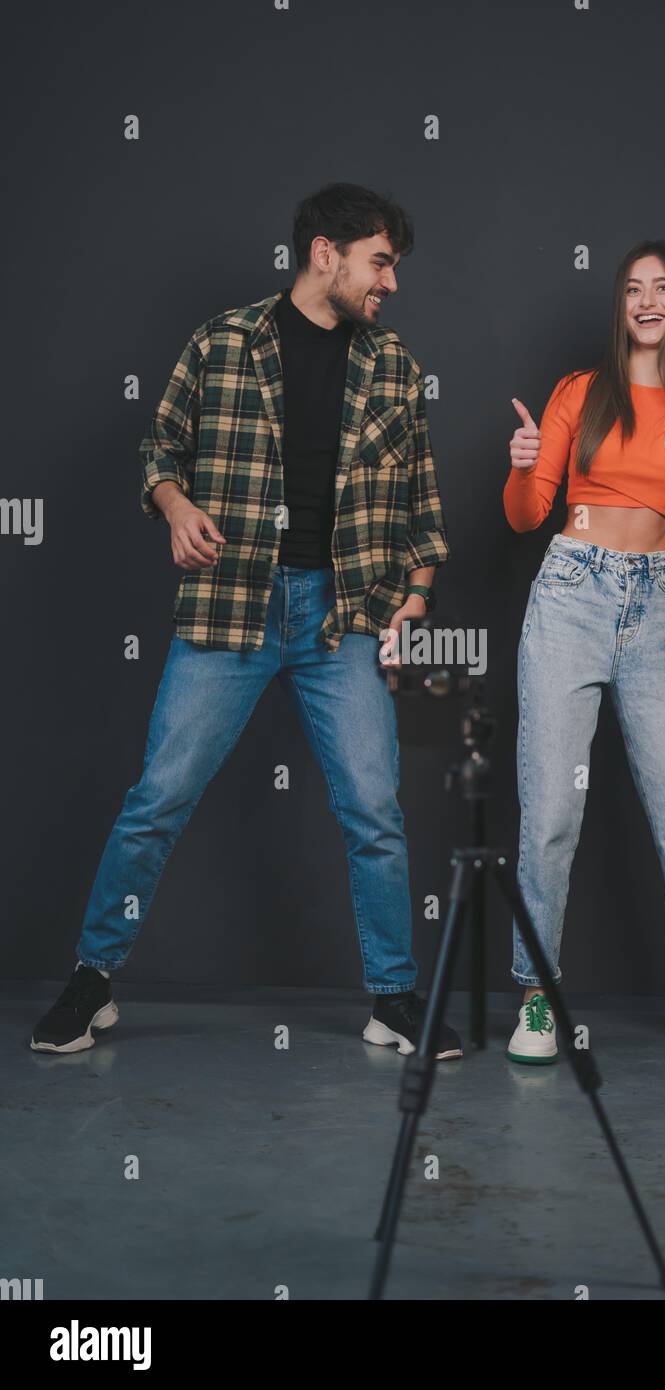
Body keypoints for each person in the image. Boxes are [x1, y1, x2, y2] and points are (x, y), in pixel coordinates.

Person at [32, 182, 462, 1062]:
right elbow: (158, 451)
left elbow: (423, 507)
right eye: (379, 262)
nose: (390, 283)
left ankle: (393, 997)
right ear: (325, 253)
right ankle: (92, 980)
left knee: (375, 811)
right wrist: (176, 505)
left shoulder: (393, 367)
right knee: (157, 800)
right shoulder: (222, 342)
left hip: (340, 618)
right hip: (231, 609)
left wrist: (412, 599)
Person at [502, 238, 665, 1067]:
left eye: (663, 289)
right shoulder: (583, 392)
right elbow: (525, 514)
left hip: (656, 608)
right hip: (571, 594)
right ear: (621, 304)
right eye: (634, 289)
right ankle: (537, 998)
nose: (647, 301)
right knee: (550, 813)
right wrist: (524, 466)